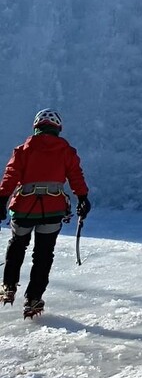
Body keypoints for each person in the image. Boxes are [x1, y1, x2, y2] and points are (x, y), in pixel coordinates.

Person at [0, 109, 90, 319]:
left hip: (24, 208)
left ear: (36, 127)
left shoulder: (23, 150)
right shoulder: (66, 151)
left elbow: (10, 176)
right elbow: (76, 176)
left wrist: (2, 199)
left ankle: (8, 286)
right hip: (52, 208)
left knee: (17, 246)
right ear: (57, 128)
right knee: (43, 254)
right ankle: (33, 298)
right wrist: (83, 198)